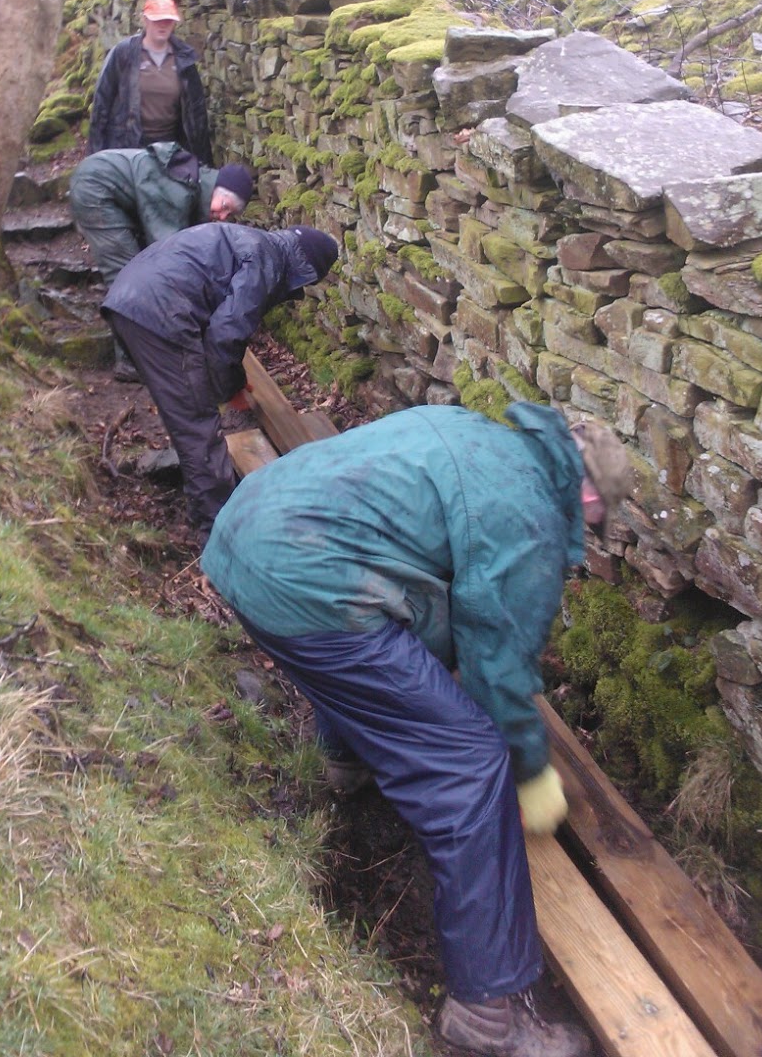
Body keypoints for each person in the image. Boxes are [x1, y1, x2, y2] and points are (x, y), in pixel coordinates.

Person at [200, 406, 634, 1057]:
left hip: (243, 536)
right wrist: (531, 769)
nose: (596, 530)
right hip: (302, 579)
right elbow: (500, 665)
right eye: (601, 519)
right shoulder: (529, 516)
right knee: (468, 763)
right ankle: (487, 1013)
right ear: (590, 493)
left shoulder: (476, 434)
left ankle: (346, 763)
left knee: (382, 659)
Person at [102, 223, 339, 533]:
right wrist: (228, 388)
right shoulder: (267, 260)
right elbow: (225, 336)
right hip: (160, 312)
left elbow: (217, 323)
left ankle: (208, 511)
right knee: (198, 426)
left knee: (192, 404)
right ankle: (217, 532)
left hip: (129, 298)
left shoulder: (253, 243)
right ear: (307, 268)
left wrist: (233, 379)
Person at [68, 143, 255, 381]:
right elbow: (167, 257)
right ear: (216, 189)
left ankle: (143, 350)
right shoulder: (178, 190)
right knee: (127, 278)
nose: (222, 217)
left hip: (107, 187)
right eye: (224, 207)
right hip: (96, 192)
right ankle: (130, 362)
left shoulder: (193, 185)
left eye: (230, 215)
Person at [88, 0, 212, 164]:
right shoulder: (124, 53)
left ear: (174, 23)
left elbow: (197, 116)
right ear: (145, 20)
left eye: (167, 20)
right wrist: (96, 157)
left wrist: (203, 164)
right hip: (128, 147)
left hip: (170, 149)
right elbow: (102, 103)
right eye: (156, 20)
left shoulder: (184, 59)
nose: (162, 25)